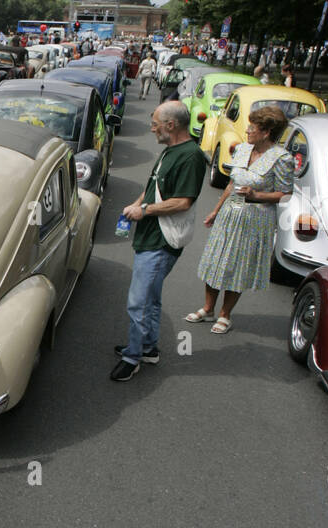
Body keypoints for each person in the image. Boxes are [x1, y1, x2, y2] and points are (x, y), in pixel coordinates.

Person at [110, 101, 207, 382]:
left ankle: (133, 358)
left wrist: (145, 210)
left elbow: (183, 201)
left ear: (171, 125)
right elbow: (154, 186)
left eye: (155, 124)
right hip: (152, 236)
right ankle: (147, 348)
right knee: (150, 299)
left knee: (137, 302)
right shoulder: (172, 150)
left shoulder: (191, 157)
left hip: (161, 241)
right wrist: (137, 202)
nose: (152, 128)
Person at [185, 106, 293, 334]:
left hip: (255, 220)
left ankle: (225, 314)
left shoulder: (282, 158)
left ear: (266, 132)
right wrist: (215, 210)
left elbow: (286, 194)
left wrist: (258, 196)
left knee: (237, 267)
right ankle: (208, 308)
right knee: (216, 261)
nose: (247, 130)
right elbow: (231, 184)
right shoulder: (243, 149)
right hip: (229, 215)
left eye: (252, 127)